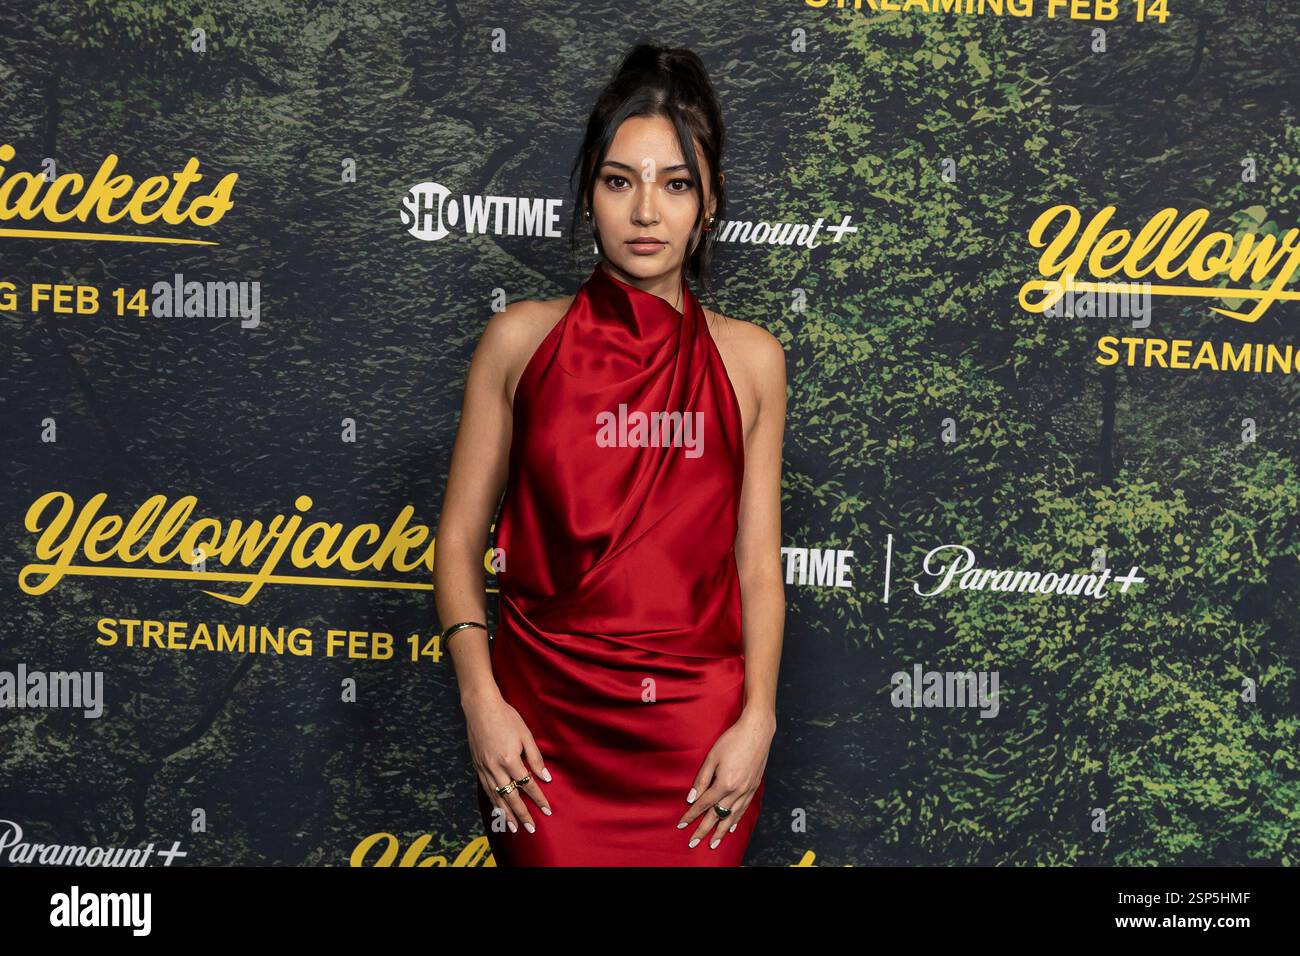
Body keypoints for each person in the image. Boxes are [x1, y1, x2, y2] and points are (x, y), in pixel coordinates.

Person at [434, 44, 786, 866]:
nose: (645, 213)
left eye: (675, 184)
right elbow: (456, 543)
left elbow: (757, 567)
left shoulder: (752, 360)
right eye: (619, 181)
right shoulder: (519, 342)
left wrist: (757, 721)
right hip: (541, 733)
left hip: (700, 743)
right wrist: (481, 701)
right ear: (588, 192)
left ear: (709, 203)